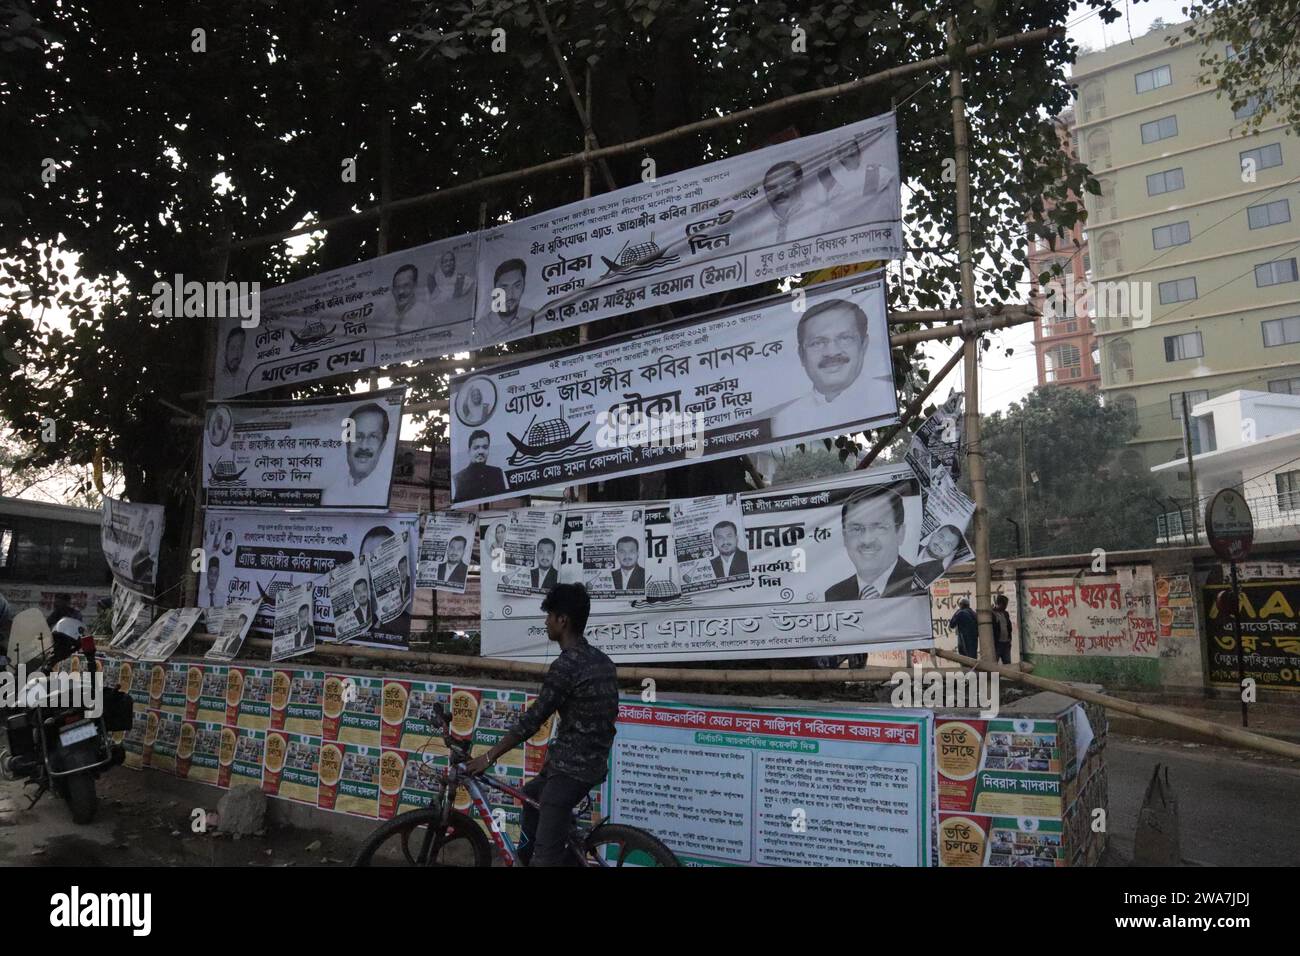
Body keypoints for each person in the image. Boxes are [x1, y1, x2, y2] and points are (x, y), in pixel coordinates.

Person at [463, 583, 618, 866]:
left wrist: (489, 756)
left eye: (549, 616)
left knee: (545, 858)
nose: (546, 622)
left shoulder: (566, 666)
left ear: (562, 620)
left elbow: (533, 720)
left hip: (571, 770)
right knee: (532, 795)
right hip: (592, 763)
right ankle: (534, 856)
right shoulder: (602, 661)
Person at [766, 298, 884, 436]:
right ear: (802, 355)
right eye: (817, 343)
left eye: (845, 338)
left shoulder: (884, 398)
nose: (832, 352)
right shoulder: (785, 421)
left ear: (864, 345)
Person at [824, 487, 916, 601]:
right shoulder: (833, 595)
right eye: (856, 529)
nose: (867, 540)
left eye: (879, 528)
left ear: (900, 533)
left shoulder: (922, 584)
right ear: (844, 537)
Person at [324, 402, 392, 504]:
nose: (364, 446)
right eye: (357, 436)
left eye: (373, 437)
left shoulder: (387, 494)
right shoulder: (329, 494)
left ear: (382, 445)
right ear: (347, 443)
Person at [476, 258, 535, 345]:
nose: (510, 295)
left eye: (517, 286)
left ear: (523, 286)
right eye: (504, 288)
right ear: (494, 290)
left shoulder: (534, 318)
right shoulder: (480, 330)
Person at [762, 160, 813, 243]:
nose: (779, 191)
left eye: (786, 184)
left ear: (800, 182)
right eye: (772, 188)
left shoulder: (820, 215)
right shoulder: (758, 230)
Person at [453, 429, 508, 502]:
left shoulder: (498, 473)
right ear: (469, 451)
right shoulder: (457, 479)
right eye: (476, 448)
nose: (481, 451)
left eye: (485, 447)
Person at [388, 263, 429, 335]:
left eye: (406, 286)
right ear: (393, 291)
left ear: (415, 286)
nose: (401, 292)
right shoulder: (387, 318)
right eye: (397, 287)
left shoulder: (426, 314)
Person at [992, 593, 1014, 665]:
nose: (1006, 606)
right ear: (1000, 604)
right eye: (1004, 605)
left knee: (1007, 664)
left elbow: (1009, 627)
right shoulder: (992, 613)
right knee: (994, 664)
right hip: (997, 644)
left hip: (1006, 643)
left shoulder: (1006, 613)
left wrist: (1009, 639)